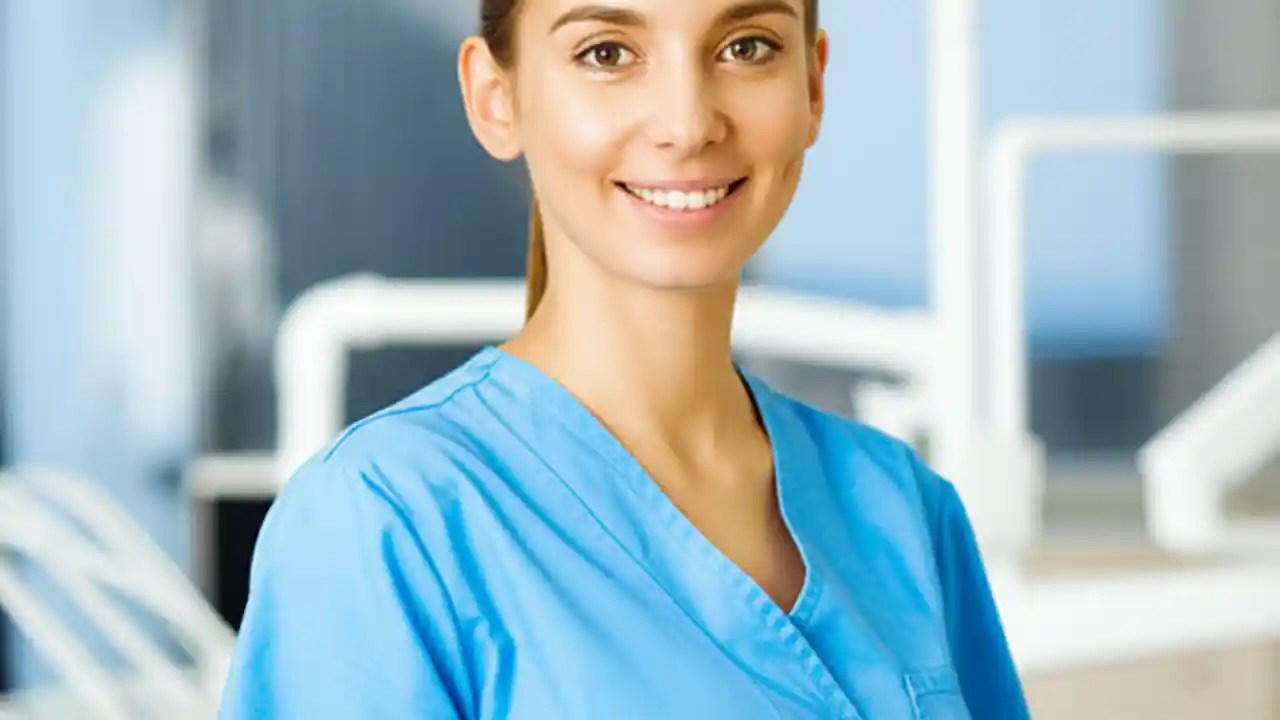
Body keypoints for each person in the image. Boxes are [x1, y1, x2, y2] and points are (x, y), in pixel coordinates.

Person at [218, 0, 1029, 717]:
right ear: (495, 98)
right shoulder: (387, 520)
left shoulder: (901, 506)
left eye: (746, 46)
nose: (687, 122)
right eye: (607, 52)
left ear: (813, 87)